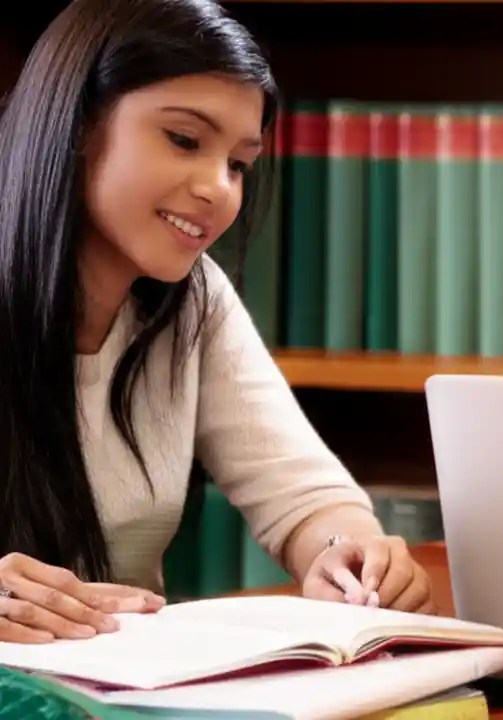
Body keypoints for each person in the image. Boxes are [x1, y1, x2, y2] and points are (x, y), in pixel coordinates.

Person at [0, 0, 434, 645]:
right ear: (77, 121)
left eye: (238, 163)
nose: (218, 189)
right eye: (183, 139)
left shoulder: (194, 300)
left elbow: (304, 496)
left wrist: (348, 553)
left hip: (123, 694)